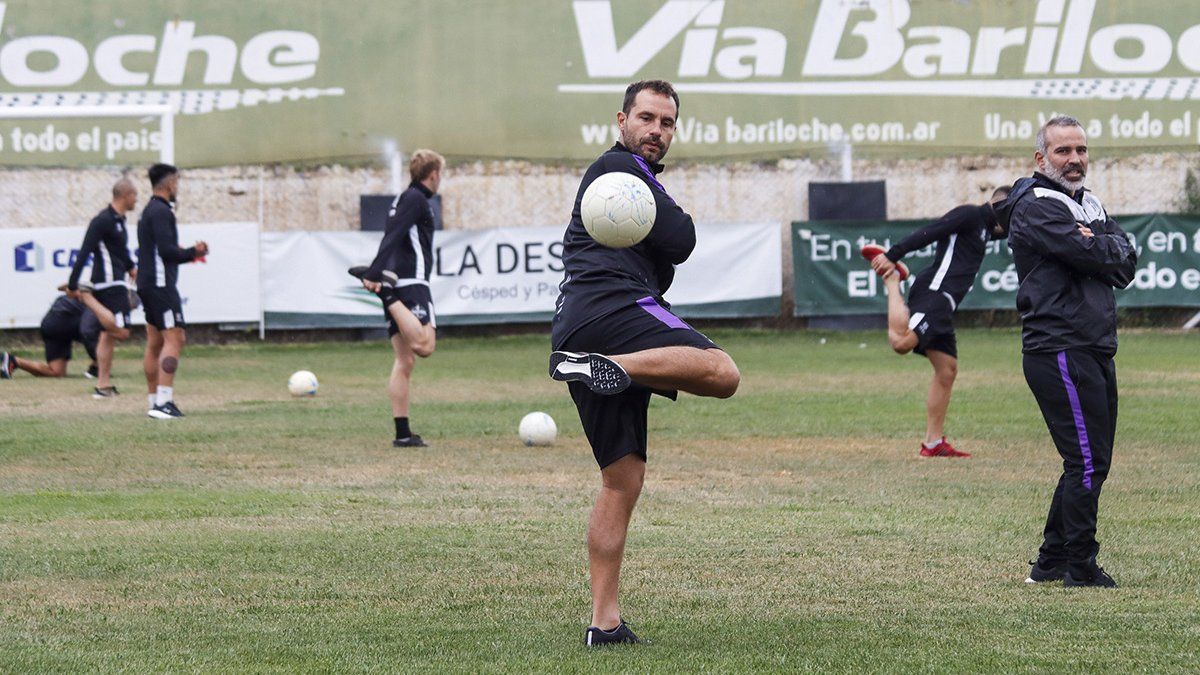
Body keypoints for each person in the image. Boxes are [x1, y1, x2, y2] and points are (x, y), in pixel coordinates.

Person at [548, 80, 740, 646]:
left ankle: (603, 623)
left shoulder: (625, 177)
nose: (657, 130)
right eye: (647, 118)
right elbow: (682, 238)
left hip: (576, 324)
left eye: (668, 122)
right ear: (622, 119)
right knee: (723, 373)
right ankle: (613, 364)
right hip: (615, 309)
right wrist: (674, 217)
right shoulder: (620, 170)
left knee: (620, 480)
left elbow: (669, 243)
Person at [997, 115, 1137, 588]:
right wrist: (1100, 246)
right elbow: (1097, 255)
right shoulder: (1036, 205)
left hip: (1093, 345)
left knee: (1092, 459)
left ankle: (1052, 560)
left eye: (1080, 150)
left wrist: (1101, 245)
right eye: (1063, 151)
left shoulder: (1088, 202)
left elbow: (1124, 260)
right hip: (1059, 347)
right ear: (1041, 158)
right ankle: (1080, 564)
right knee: (1087, 462)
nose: (1074, 159)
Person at [861, 186, 1012, 458]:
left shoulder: (987, 230)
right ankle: (892, 280)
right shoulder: (969, 215)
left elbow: (1022, 231)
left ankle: (932, 443)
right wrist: (893, 255)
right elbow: (930, 232)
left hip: (945, 305)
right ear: (1002, 208)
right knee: (901, 342)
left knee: (947, 370)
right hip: (934, 294)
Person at [351, 149, 442, 448]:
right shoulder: (415, 198)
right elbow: (394, 233)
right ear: (433, 174)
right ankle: (385, 293)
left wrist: (378, 273)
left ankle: (402, 433)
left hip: (399, 283)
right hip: (409, 284)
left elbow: (393, 232)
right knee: (424, 345)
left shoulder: (405, 198)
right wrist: (377, 276)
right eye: (440, 173)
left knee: (405, 360)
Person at [137, 163, 208, 419]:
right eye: (177, 182)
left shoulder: (149, 210)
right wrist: (194, 252)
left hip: (147, 284)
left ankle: (154, 400)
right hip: (159, 285)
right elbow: (167, 251)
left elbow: (160, 248)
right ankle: (163, 403)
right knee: (175, 339)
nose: (178, 187)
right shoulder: (162, 211)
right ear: (168, 184)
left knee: (155, 342)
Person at [67, 177, 139, 398]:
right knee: (123, 332)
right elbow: (84, 252)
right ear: (126, 195)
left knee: (108, 335)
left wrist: (130, 267)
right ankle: (87, 298)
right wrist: (72, 284)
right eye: (135, 195)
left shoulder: (119, 221)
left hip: (117, 280)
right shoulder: (102, 220)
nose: (136, 200)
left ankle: (102, 386)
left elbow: (120, 251)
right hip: (109, 283)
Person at [1, 289, 127, 379]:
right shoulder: (108, 295)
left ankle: (13, 361)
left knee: (56, 372)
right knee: (105, 331)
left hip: (51, 322)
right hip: (64, 320)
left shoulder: (92, 287)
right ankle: (97, 368)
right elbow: (88, 331)